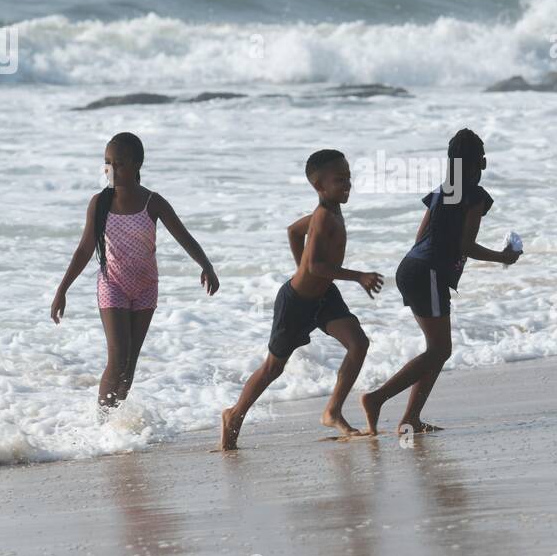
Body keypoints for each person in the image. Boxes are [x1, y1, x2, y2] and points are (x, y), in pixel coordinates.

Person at [361, 129, 521, 435]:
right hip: (428, 272)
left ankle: (411, 418)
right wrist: (504, 257)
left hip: (411, 267)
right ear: (482, 162)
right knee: (439, 350)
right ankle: (376, 398)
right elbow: (466, 247)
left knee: (436, 349)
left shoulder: (443, 190)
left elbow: (421, 236)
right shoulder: (475, 196)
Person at [220, 149, 383, 450]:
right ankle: (234, 415)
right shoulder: (323, 217)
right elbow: (316, 267)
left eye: (348, 177)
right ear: (319, 186)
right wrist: (358, 275)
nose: (347, 184)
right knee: (273, 368)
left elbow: (293, 232)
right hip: (296, 302)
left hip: (324, 297)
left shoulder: (331, 209)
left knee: (358, 343)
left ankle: (332, 411)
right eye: (339, 180)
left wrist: (303, 268)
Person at [52, 132, 219, 418]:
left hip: (145, 287)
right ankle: (101, 424)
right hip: (112, 284)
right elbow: (83, 250)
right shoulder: (99, 203)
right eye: (107, 163)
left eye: (119, 163)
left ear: (137, 164)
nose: (111, 170)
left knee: (129, 363)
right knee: (117, 358)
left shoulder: (152, 202)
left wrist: (206, 265)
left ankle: (117, 425)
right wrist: (62, 290)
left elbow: (184, 236)